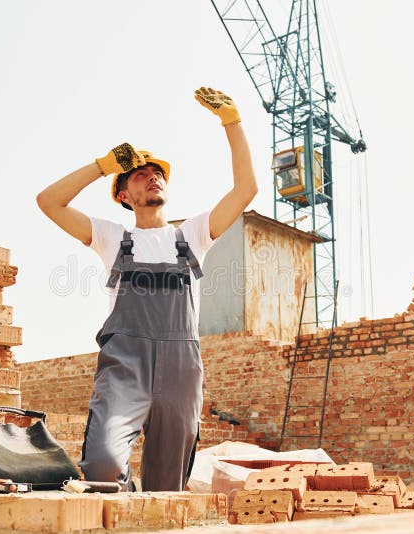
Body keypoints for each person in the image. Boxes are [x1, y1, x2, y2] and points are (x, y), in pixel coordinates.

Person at [36, 87, 257, 491]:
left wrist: (232, 122)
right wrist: (102, 165)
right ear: (124, 195)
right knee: (102, 464)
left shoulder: (191, 236)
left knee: (168, 486)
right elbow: (49, 202)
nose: (153, 177)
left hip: (180, 368)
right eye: (141, 174)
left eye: (158, 174)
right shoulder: (111, 237)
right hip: (126, 366)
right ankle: (123, 492)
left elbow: (245, 191)